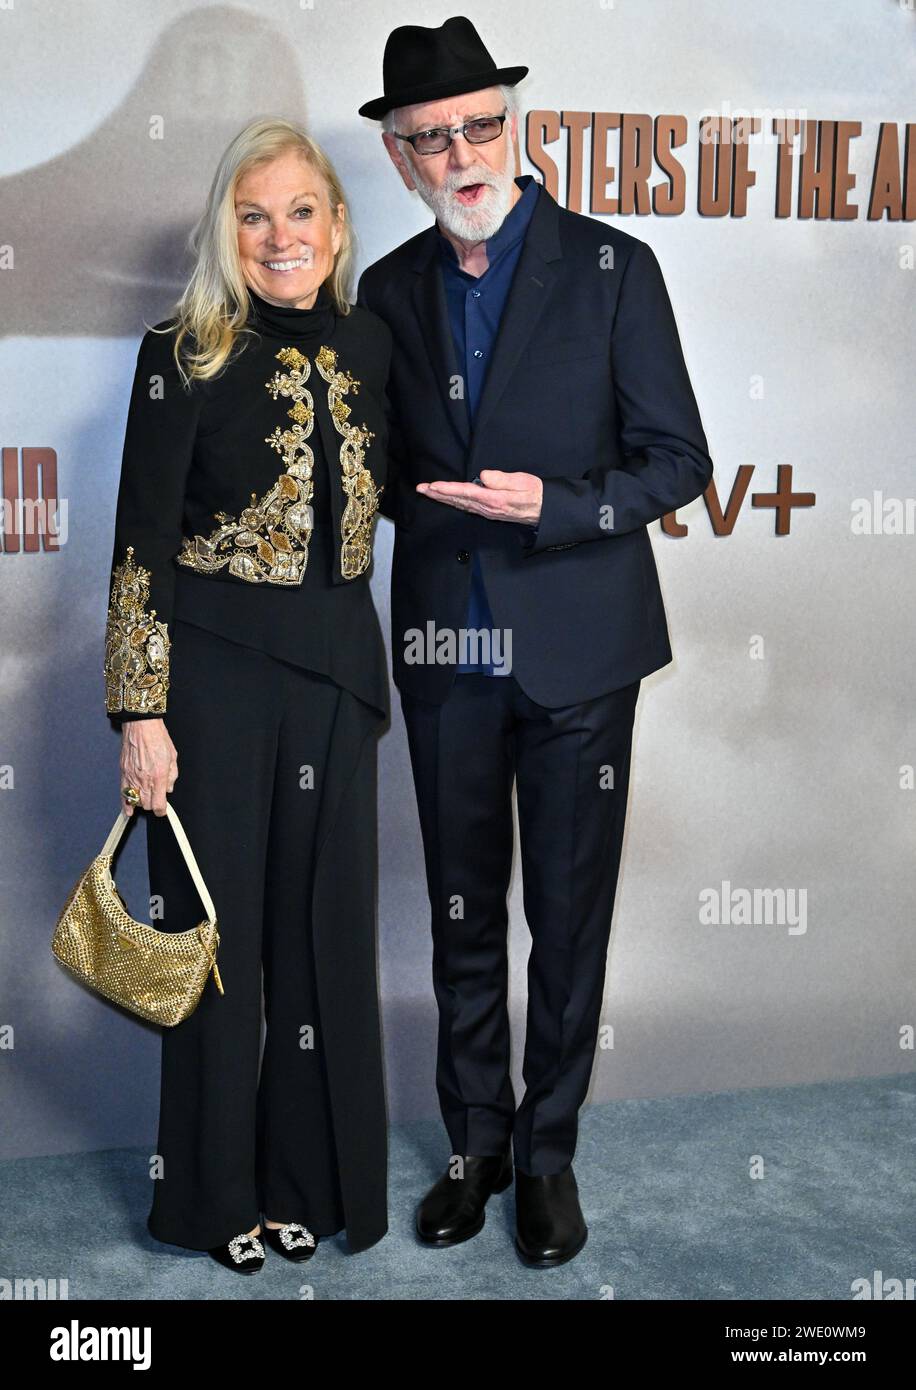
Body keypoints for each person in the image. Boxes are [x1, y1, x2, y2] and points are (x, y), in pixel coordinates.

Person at [357, 17, 713, 1267]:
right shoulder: (385, 292)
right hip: (447, 650)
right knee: (462, 916)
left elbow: (679, 460)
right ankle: (474, 1147)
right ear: (400, 159)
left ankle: (547, 1157)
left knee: (564, 921)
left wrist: (556, 511)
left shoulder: (617, 267)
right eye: (429, 138)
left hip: (580, 652)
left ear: (515, 126)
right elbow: (381, 477)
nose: (460, 153)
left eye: (478, 126)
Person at [104, 116, 391, 1273]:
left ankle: (300, 1184)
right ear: (228, 226)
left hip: (336, 683)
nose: (281, 236)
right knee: (217, 952)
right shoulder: (182, 351)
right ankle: (209, 1196)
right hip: (210, 689)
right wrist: (140, 712)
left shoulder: (372, 342)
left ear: (334, 222)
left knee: (322, 946)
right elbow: (139, 543)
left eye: (302, 211)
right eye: (254, 212)